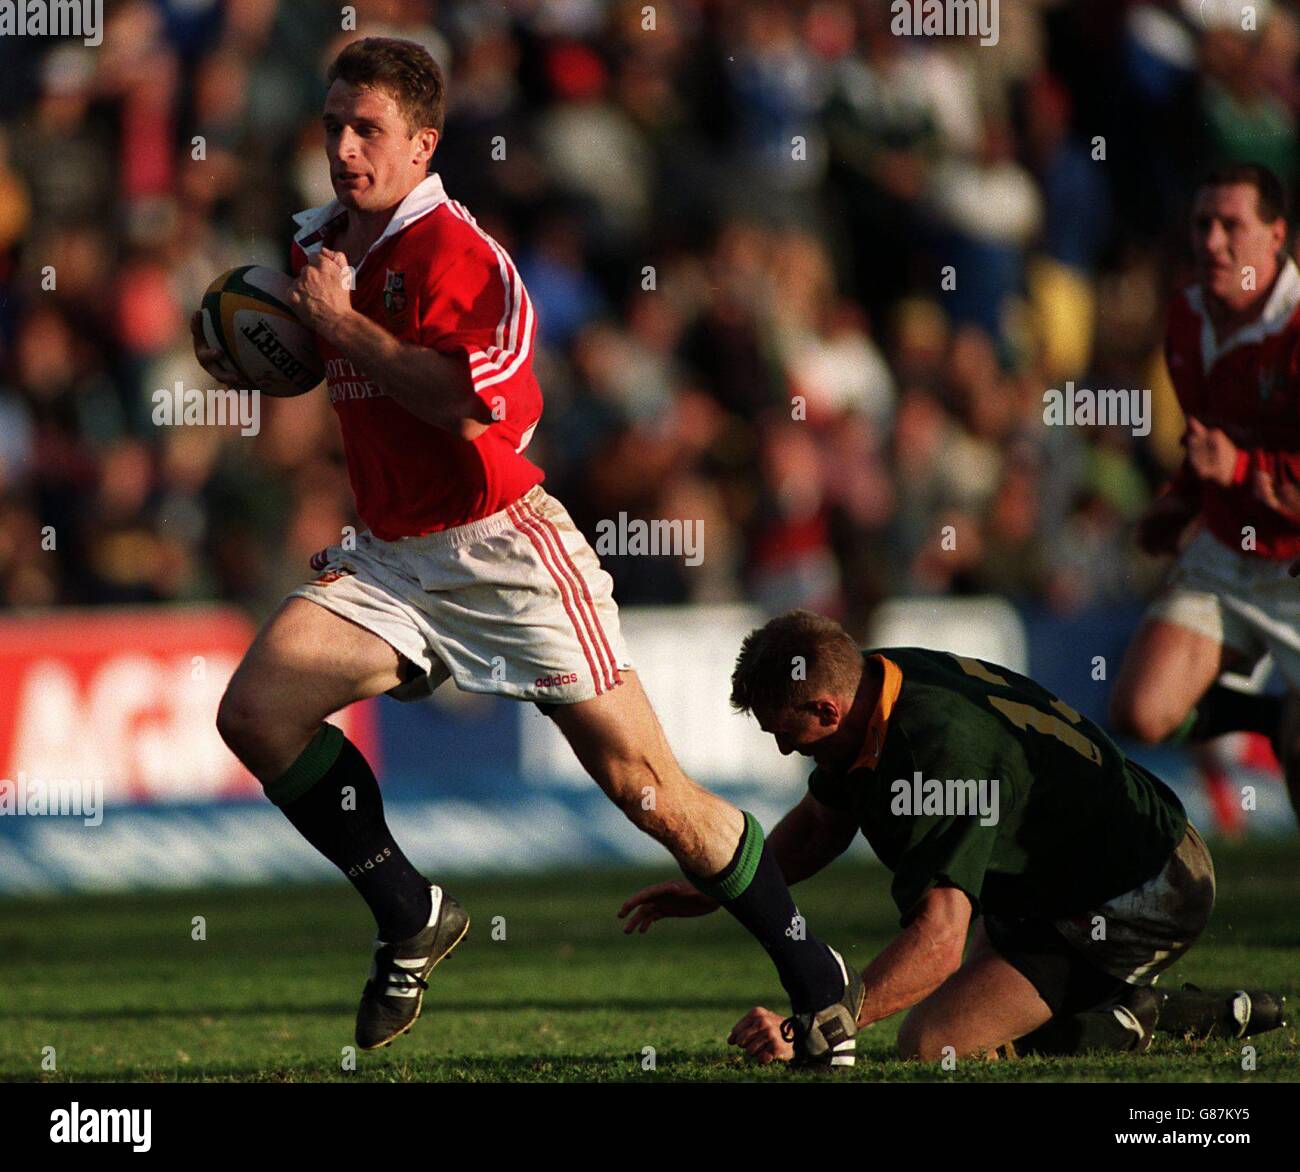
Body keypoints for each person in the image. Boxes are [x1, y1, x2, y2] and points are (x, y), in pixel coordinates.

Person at [192, 38, 858, 1064]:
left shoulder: (462, 257)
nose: (343, 145)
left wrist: (341, 328)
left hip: (504, 554)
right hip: (389, 559)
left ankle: (818, 980)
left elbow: (475, 409)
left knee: (654, 795)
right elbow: (320, 380)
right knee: (255, 711)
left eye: (366, 127)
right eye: (333, 124)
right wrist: (246, 354)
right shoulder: (322, 247)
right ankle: (409, 908)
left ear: (422, 142)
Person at [619, 610, 1286, 1063]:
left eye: (784, 732)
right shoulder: (873, 684)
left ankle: (1137, 1013)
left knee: (933, 1040)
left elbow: (937, 941)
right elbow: (822, 824)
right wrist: (721, 889)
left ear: (826, 708)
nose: (785, 750)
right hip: (1064, 872)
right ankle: (1139, 1003)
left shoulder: (936, 747)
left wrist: (814, 1027)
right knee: (980, 1003)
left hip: (1141, 888)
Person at [1111, 164, 1300, 826]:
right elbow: (1207, 440)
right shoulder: (1188, 317)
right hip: (1226, 549)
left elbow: (1235, 454)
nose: (1214, 241)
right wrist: (1181, 500)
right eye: (1203, 225)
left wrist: (1243, 469)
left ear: (1275, 236)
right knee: (1139, 710)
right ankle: (1270, 717)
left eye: (1232, 226)